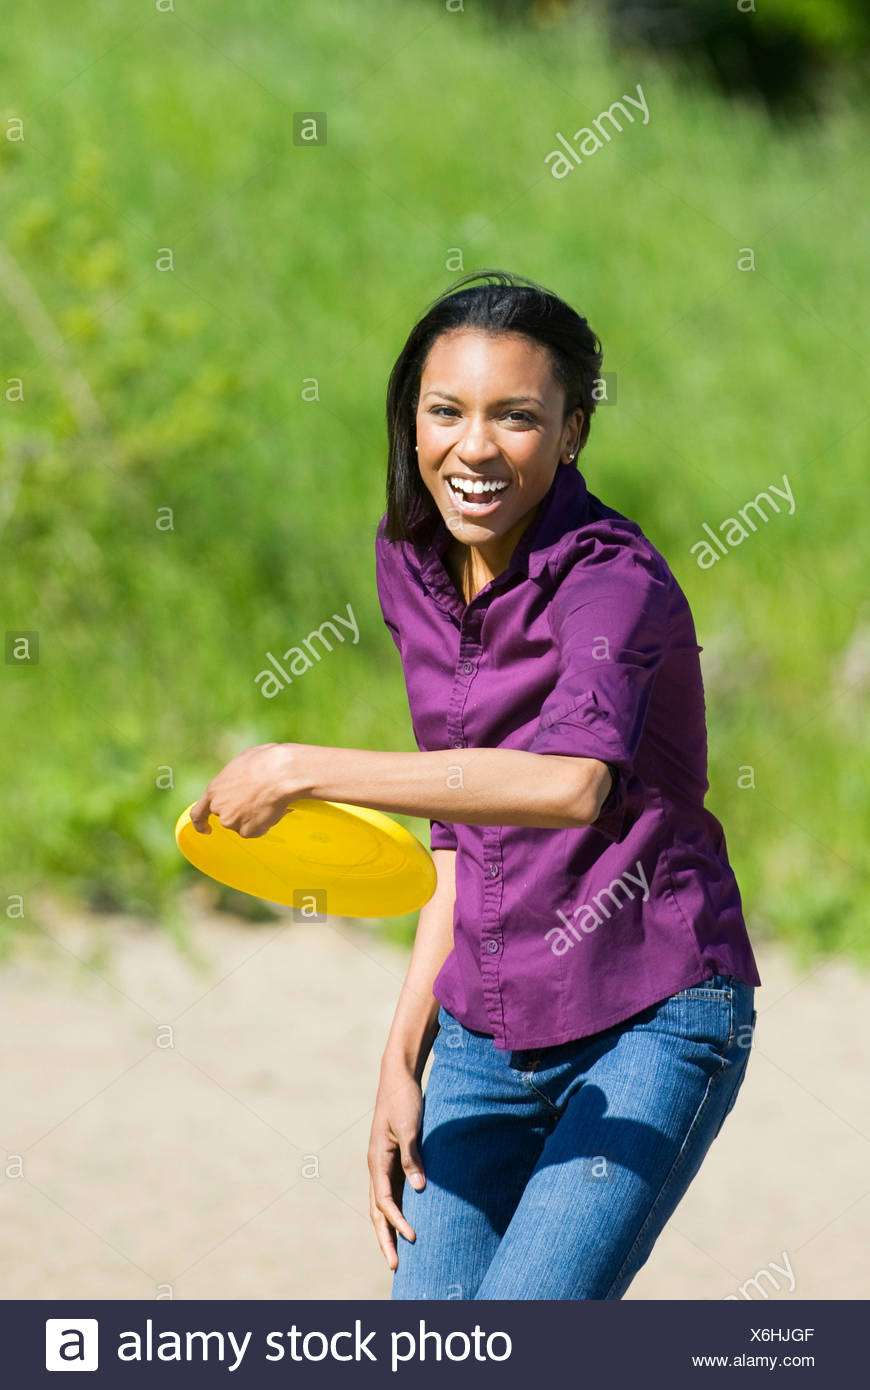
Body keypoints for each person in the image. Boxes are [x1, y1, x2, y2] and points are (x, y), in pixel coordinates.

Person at [190, 268, 761, 1300]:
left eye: (518, 417)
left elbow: (569, 786)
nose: (475, 447)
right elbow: (461, 832)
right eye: (446, 411)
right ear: (412, 418)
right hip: (483, 1035)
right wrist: (401, 1055)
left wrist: (300, 766)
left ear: (574, 432)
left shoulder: (611, 582)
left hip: (652, 1014)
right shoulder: (410, 561)